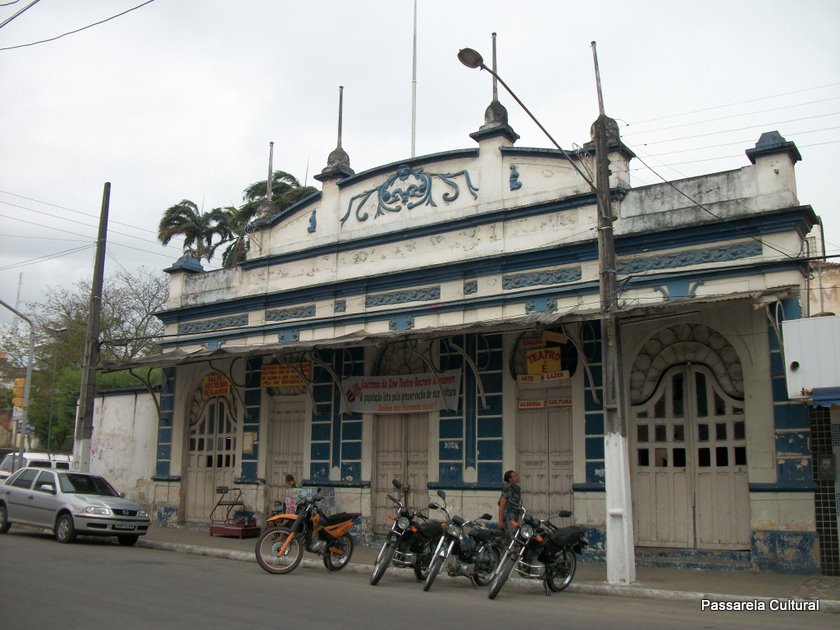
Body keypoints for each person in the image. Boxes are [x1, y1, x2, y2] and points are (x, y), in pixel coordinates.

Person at [498, 469, 521, 539]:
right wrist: (500, 520)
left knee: (515, 534)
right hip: (509, 516)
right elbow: (502, 505)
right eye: (515, 476)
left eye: (517, 475)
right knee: (512, 536)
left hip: (516, 516)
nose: (517, 477)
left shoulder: (517, 488)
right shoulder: (507, 489)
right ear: (510, 479)